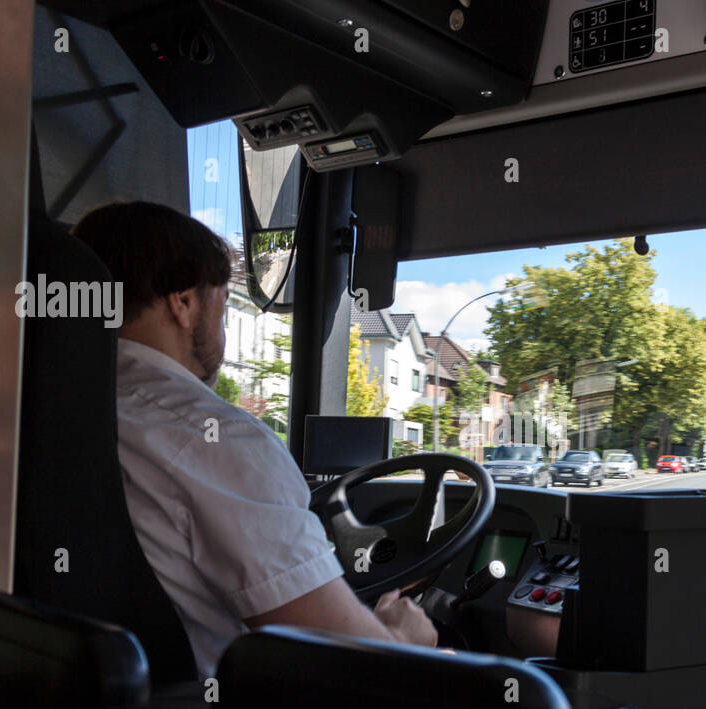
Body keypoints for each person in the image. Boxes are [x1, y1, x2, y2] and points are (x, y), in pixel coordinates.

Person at [71, 200, 436, 678]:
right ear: (183, 302)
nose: (222, 326)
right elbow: (350, 665)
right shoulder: (216, 440)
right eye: (221, 302)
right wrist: (407, 640)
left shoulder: (57, 409)